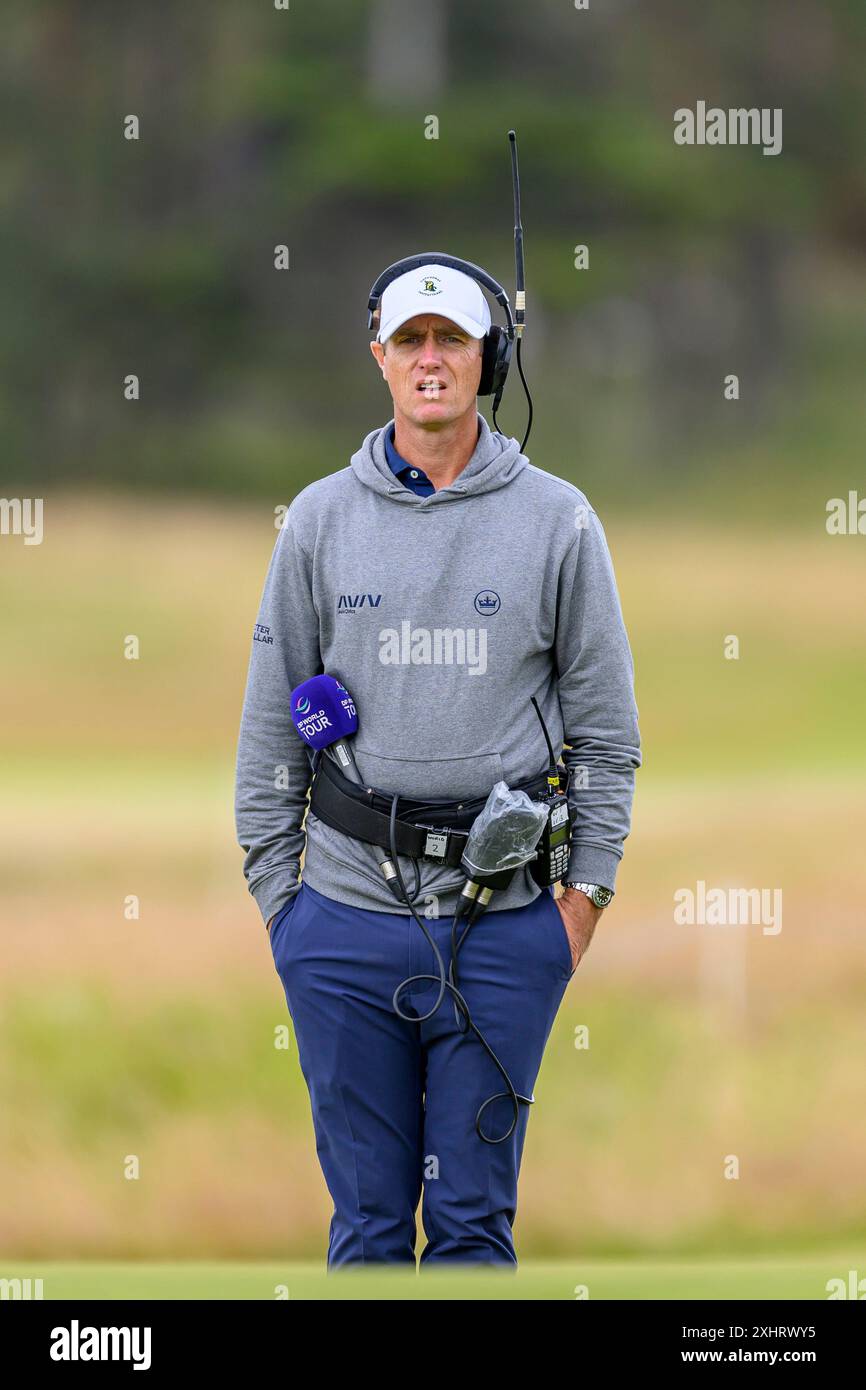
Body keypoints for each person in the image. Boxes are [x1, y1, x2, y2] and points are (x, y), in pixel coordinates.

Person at [234, 259, 641, 1268]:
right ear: (378, 354)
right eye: (409, 341)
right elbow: (269, 727)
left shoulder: (558, 520)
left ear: (485, 357)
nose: (429, 360)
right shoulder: (319, 520)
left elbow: (605, 736)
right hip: (338, 921)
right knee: (367, 1231)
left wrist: (581, 899)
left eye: (450, 340)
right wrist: (280, 906)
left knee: (470, 1229)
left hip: (505, 924)